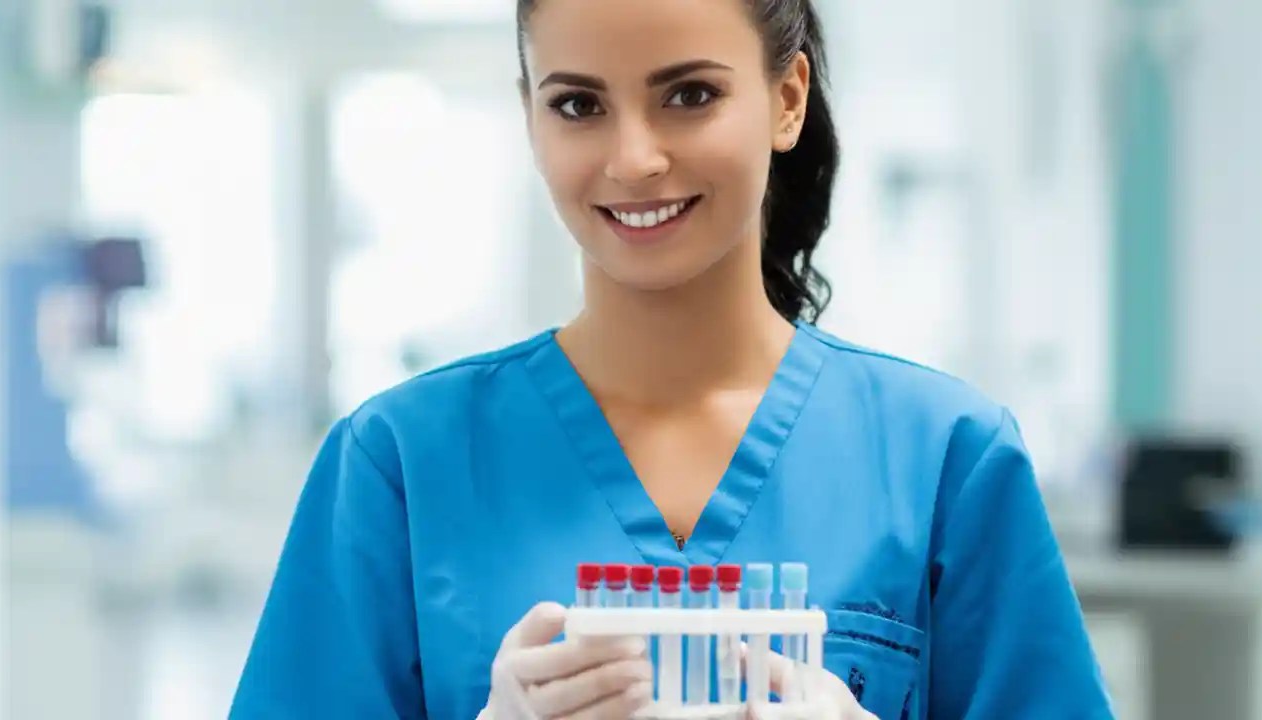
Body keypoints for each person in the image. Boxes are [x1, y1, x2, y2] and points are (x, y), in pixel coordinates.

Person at [231, 0, 1114, 718]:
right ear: (529, 116)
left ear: (787, 99)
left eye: (689, 95)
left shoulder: (946, 457)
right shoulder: (399, 463)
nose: (634, 158)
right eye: (578, 104)